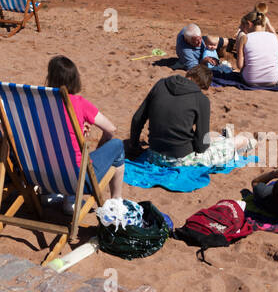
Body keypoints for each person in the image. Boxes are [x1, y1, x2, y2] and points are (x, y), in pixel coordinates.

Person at [128, 65, 253, 167]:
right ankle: (246, 142)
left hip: (153, 155)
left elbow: (137, 119)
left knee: (213, 138)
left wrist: (134, 146)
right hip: (179, 160)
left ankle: (224, 139)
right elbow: (201, 147)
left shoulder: (161, 84)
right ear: (204, 87)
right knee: (239, 142)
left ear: (188, 74)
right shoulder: (201, 99)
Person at [46, 56, 124, 199]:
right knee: (117, 145)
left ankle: (64, 198)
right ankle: (116, 200)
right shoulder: (79, 103)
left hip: (43, 175)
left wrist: (78, 135)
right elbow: (111, 129)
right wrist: (100, 147)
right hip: (77, 179)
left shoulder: (40, 103)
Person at [235, 11, 278, 87]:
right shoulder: (276, 37)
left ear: (249, 24)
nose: (243, 28)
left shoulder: (244, 38)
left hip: (250, 81)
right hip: (273, 80)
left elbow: (240, 65)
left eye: (244, 25)